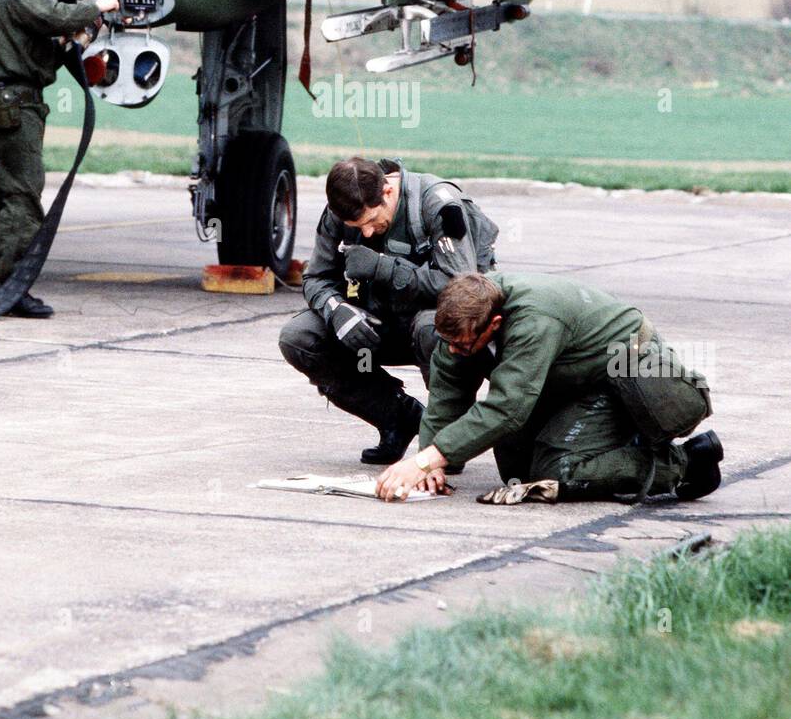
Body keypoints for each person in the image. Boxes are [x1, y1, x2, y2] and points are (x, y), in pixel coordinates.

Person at [376, 271, 721, 503]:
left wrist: (419, 463)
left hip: (619, 376)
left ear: (494, 324)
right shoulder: (465, 315)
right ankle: (611, 445)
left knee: (557, 471)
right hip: (568, 376)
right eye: (447, 342)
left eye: (464, 345)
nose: (454, 351)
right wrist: (431, 462)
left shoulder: (533, 322)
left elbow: (507, 408)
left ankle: (685, 463)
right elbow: (447, 390)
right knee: (517, 471)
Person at [279, 156, 499, 464]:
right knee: (298, 337)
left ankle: (446, 440)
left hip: (432, 325)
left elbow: (459, 282)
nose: (367, 233)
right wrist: (337, 310)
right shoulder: (339, 212)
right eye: (358, 227)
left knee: (430, 330)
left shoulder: (436, 204)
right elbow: (315, 277)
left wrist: (384, 268)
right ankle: (397, 416)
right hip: (374, 323)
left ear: (387, 192)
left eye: (372, 221)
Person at [0, 0, 120, 317]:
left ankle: (3, 285)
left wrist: (80, 37)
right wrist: (100, 4)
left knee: (10, 198)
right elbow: (58, 15)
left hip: (18, 106)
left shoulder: (21, 11)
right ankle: (12, 289)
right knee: (24, 198)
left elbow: (47, 52)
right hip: (16, 108)